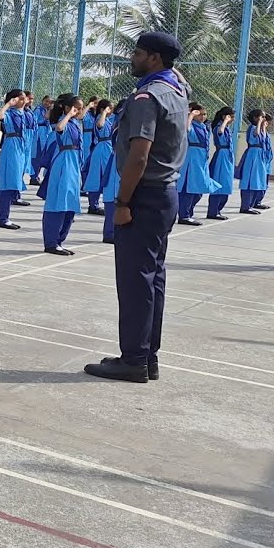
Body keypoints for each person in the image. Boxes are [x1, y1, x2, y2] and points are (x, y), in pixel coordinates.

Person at [84, 31, 187, 384]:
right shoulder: (176, 89)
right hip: (164, 194)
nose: (133, 57)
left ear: (154, 58)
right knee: (152, 278)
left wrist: (123, 202)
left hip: (143, 195)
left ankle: (134, 361)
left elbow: (139, 155)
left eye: (138, 53)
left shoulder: (148, 96)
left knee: (134, 281)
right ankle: (145, 356)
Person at [38, 94, 83, 256]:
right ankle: (51, 242)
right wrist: (69, 114)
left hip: (74, 165)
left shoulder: (76, 124)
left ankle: (59, 240)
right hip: (63, 164)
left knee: (70, 203)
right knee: (58, 202)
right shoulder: (64, 122)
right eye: (76, 108)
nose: (78, 111)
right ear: (67, 108)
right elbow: (59, 128)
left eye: (80, 108)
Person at [176, 103, 221, 226]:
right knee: (189, 187)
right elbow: (186, 130)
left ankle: (188, 212)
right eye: (199, 114)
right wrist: (189, 116)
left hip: (201, 158)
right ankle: (184, 215)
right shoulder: (190, 124)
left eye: (204, 114)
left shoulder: (203, 127)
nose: (202, 117)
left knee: (199, 188)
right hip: (192, 158)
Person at [0, 89, 27, 230]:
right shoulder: (10, 113)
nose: (23, 100)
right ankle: (2, 217)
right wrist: (8, 104)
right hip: (11, 147)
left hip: (20, 148)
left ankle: (5, 215)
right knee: (6, 183)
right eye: (20, 98)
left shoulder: (24, 114)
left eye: (24, 98)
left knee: (14, 182)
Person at [236, 109, 274, 214]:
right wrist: (259, 124)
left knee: (257, 180)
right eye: (261, 117)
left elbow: (264, 139)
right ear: (255, 118)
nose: (263, 119)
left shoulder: (262, 129)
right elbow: (255, 135)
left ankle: (251, 204)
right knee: (249, 180)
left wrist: (263, 127)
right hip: (253, 155)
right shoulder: (252, 128)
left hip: (260, 155)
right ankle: (245, 206)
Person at [83, 99, 116, 216]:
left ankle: (98, 203)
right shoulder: (100, 119)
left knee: (105, 176)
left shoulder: (108, 120)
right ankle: (93, 205)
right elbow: (100, 125)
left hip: (108, 148)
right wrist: (103, 113)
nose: (111, 111)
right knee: (96, 176)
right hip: (101, 149)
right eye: (109, 108)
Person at [206, 107, 236, 220]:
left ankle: (218, 209)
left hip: (228, 156)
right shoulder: (219, 127)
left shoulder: (227, 129)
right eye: (230, 117)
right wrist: (225, 121)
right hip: (221, 156)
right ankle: (213, 211)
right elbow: (220, 132)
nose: (232, 119)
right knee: (219, 182)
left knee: (226, 183)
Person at [29, 95, 54, 186]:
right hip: (39, 134)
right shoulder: (38, 110)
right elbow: (34, 121)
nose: (47, 103)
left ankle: (37, 175)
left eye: (50, 102)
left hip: (45, 134)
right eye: (46, 101)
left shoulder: (48, 111)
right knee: (37, 156)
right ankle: (33, 176)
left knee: (42, 156)